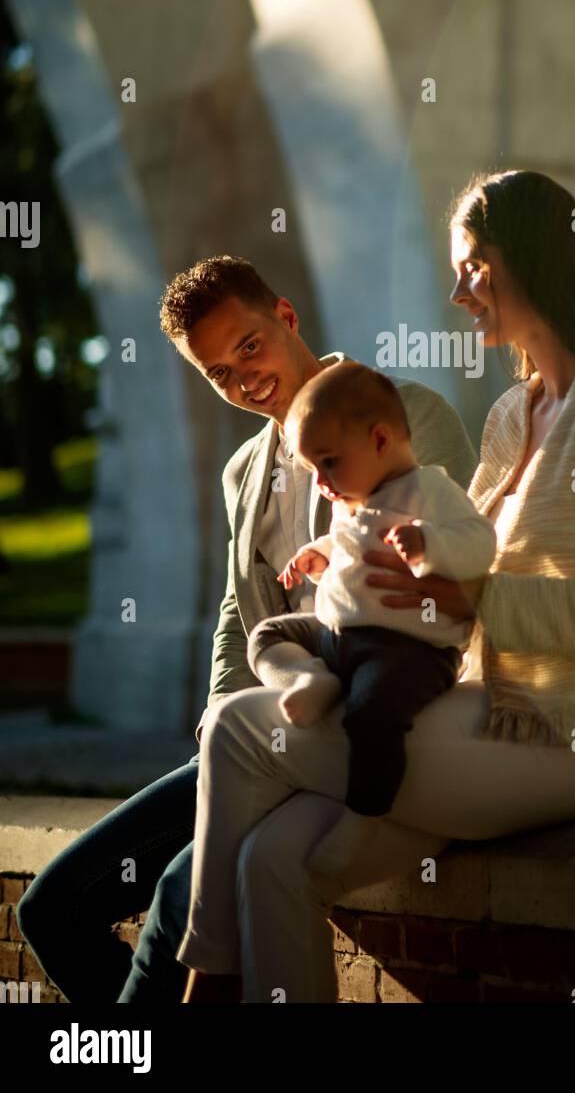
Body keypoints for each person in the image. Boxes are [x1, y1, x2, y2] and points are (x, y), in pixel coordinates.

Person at [177, 170, 575, 1004]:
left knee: (240, 725)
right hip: (476, 717)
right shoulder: (511, 413)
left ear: (530, 259)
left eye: (472, 267)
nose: (457, 291)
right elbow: (462, 566)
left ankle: (203, 982)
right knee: (270, 859)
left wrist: (474, 601)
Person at [15, 256, 476, 1004]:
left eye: (250, 348)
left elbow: (452, 588)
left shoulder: (409, 415)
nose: (241, 380)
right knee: (51, 909)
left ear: (287, 319)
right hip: (259, 734)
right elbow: (240, 611)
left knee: (175, 894)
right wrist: (218, 712)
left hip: (373, 730)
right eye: (218, 373)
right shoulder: (242, 471)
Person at [244, 359, 496, 878]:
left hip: (410, 650)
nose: (322, 484)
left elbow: (480, 544)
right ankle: (308, 678)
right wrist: (318, 553)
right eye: (312, 470)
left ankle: (365, 816)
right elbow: (347, 545)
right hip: (340, 637)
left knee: (373, 715)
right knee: (269, 634)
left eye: (328, 464)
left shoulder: (430, 490)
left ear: (381, 440)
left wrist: (430, 546)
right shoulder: (352, 496)